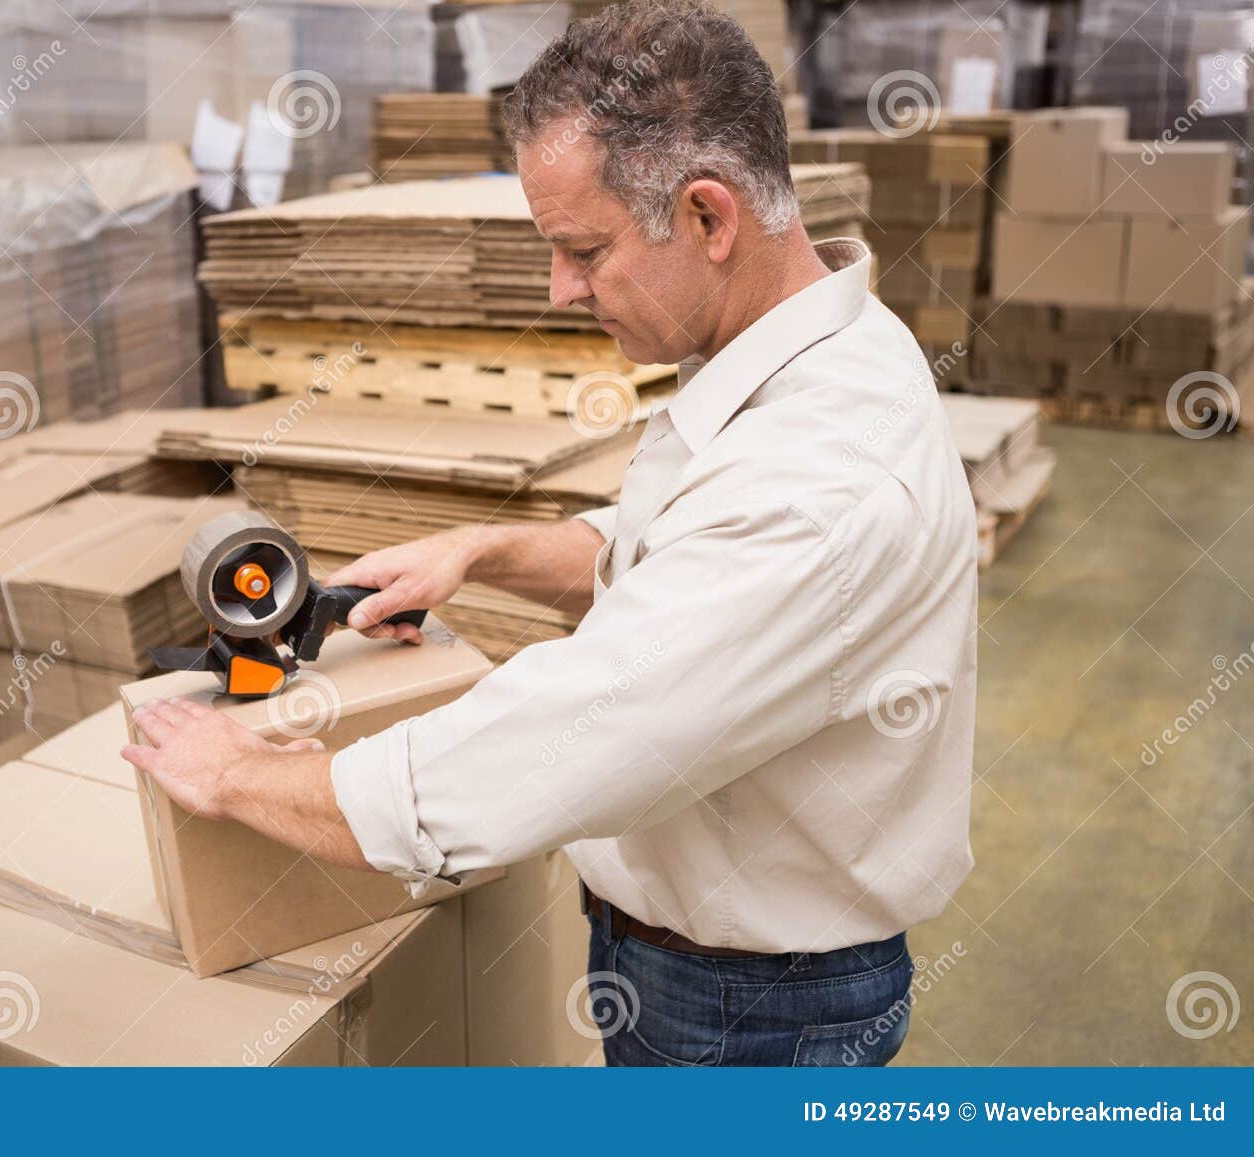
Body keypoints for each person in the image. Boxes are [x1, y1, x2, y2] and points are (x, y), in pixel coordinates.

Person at [122, 0, 977, 1067]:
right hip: (713, 967)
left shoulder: (819, 479)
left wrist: (242, 773)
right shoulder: (815, 344)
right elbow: (682, 551)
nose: (558, 287)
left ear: (709, 218)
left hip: (751, 1012)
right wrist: (484, 553)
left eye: (583, 249)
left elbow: (555, 743)